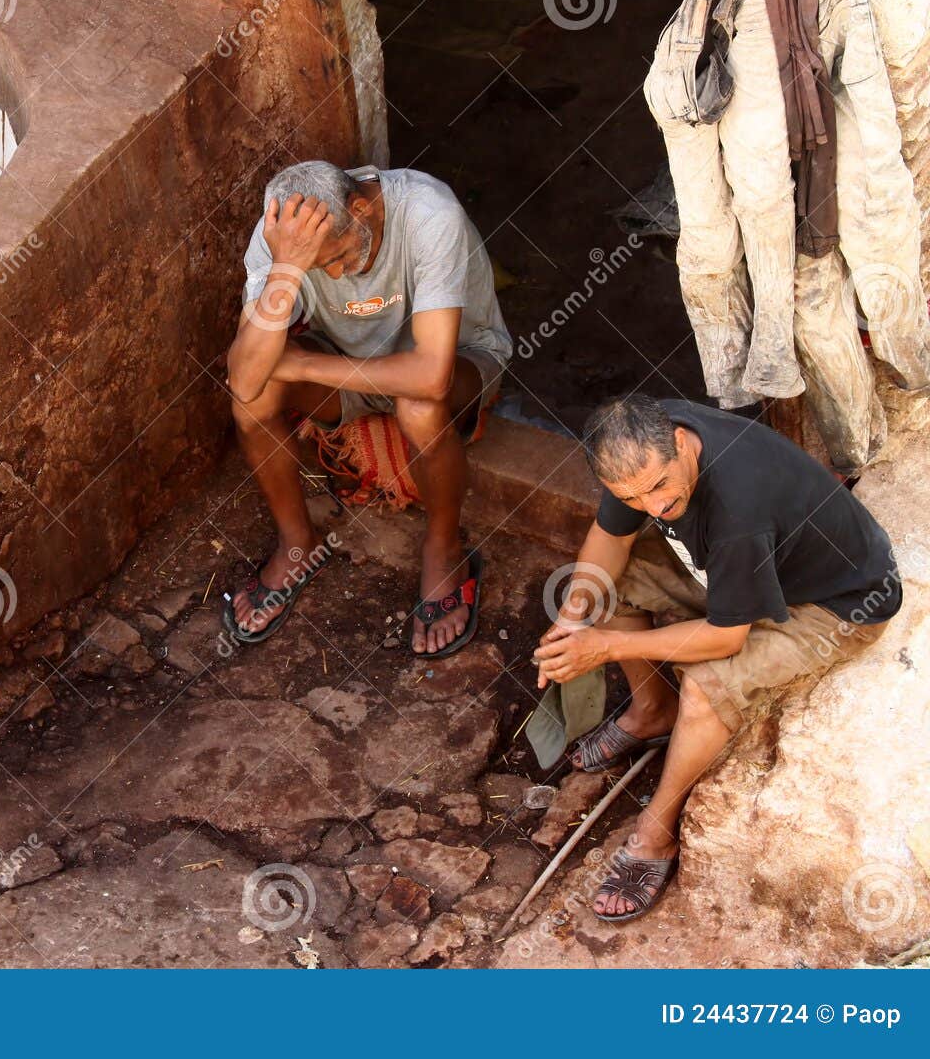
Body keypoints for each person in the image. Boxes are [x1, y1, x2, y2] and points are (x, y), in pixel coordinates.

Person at [536, 393, 901, 921]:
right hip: (747, 567)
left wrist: (608, 646)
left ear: (682, 445)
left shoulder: (739, 506)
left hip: (836, 603)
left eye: (661, 488)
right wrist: (573, 618)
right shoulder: (638, 447)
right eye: (633, 498)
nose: (654, 509)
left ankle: (656, 835)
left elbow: (727, 638)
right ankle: (649, 713)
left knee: (707, 685)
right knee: (606, 591)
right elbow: (609, 537)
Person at [224, 160, 512, 657]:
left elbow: (431, 375)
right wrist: (287, 269)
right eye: (318, 269)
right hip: (349, 363)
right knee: (257, 395)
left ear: (362, 209)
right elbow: (244, 381)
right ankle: (296, 542)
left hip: (461, 361)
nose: (332, 274)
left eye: (335, 257)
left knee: (418, 405)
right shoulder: (281, 234)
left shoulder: (428, 213)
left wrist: (307, 367)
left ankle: (443, 548)